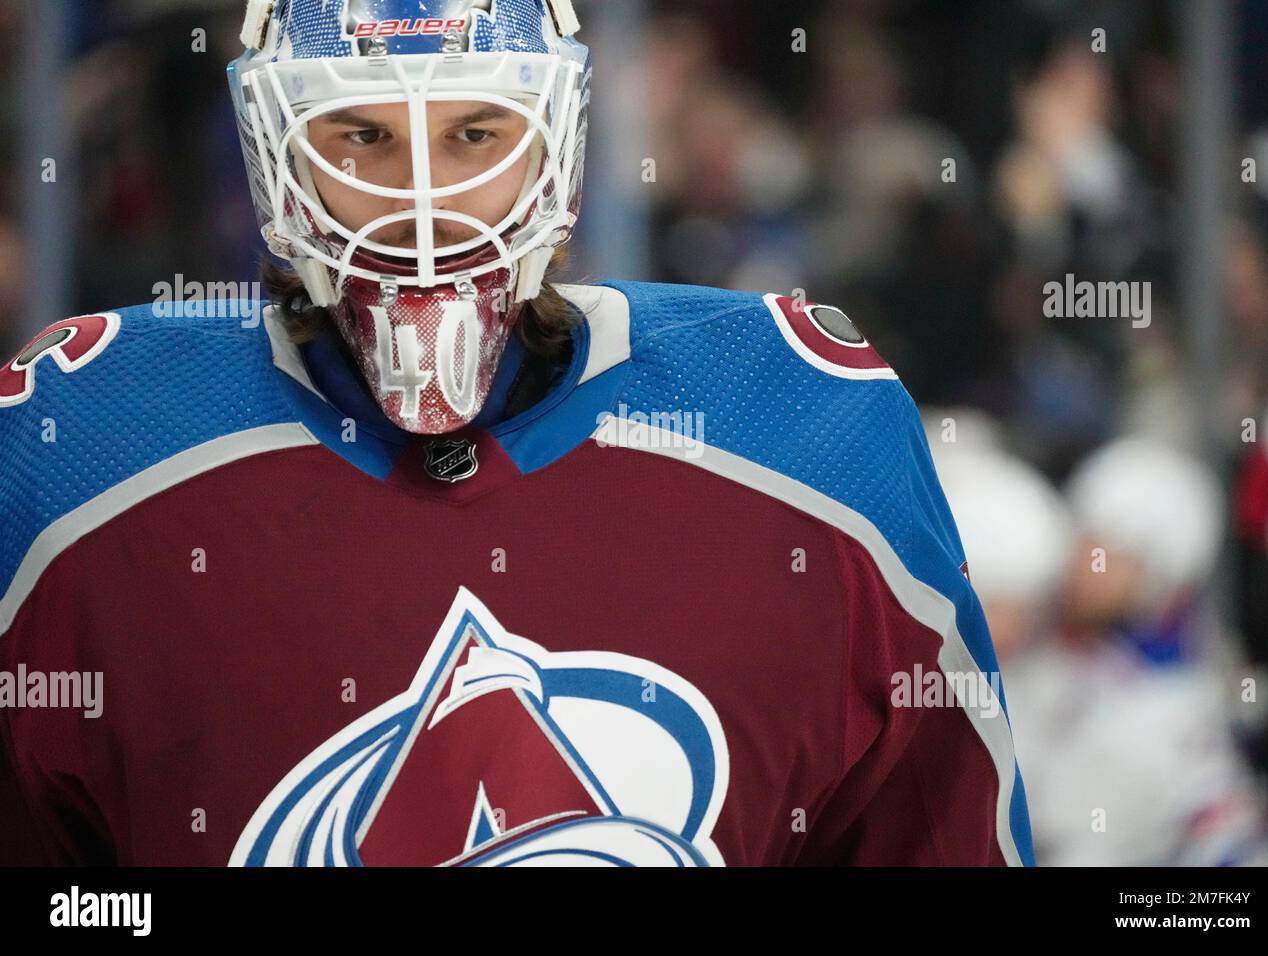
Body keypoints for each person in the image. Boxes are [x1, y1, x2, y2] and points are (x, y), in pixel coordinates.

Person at [0, 0, 1031, 867]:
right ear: (278, 158)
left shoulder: (805, 431)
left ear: (557, 144)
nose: (421, 205)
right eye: (361, 135)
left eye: (475, 134)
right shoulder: (80, 448)